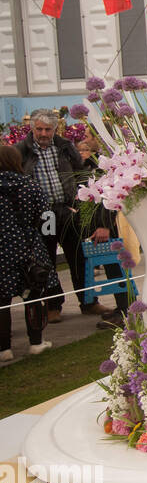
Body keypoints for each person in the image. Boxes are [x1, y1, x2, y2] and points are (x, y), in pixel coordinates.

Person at [17, 109, 110, 322]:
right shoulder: (22, 150)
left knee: (77, 256)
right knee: (47, 259)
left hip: (67, 209)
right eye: (39, 129)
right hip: (42, 214)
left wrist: (80, 201)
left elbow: (81, 175)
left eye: (47, 129)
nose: (43, 133)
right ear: (32, 128)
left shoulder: (64, 147)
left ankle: (88, 302)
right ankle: (53, 305)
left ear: (54, 129)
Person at [0, 145, 52, 360]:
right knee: (33, 295)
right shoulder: (30, 186)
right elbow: (47, 217)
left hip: (2, 251)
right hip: (28, 248)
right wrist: (44, 237)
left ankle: (4, 349)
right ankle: (36, 342)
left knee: (2, 301)